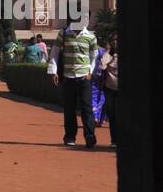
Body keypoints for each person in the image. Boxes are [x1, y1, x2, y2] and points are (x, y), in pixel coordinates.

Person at [47, 11, 99, 148]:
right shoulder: (64, 33)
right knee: (69, 109)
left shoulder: (91, 36)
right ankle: (70, 136)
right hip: (68, 76)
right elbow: (55, 52)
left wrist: (90, 72)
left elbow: (94, 57)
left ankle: (90, 137)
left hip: (84, 77)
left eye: (87, 18)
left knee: (86, 108)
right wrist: (53, 71)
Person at [99, 31, 119, 148]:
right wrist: (110, 57)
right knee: (112, 114)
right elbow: (102, 66)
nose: (114, 42)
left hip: (123, 89)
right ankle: (114, 140)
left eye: (117, 40)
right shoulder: (108, 54)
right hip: (109, 88)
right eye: (112, 40)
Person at [91, 43, 108, 125]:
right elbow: (103, 66)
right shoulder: (104, 51)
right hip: (101, 77)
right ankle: (99, 119)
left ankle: (97, 117)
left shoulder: (98, 51)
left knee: (97, 97)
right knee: (101, 97)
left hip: (98, 77)